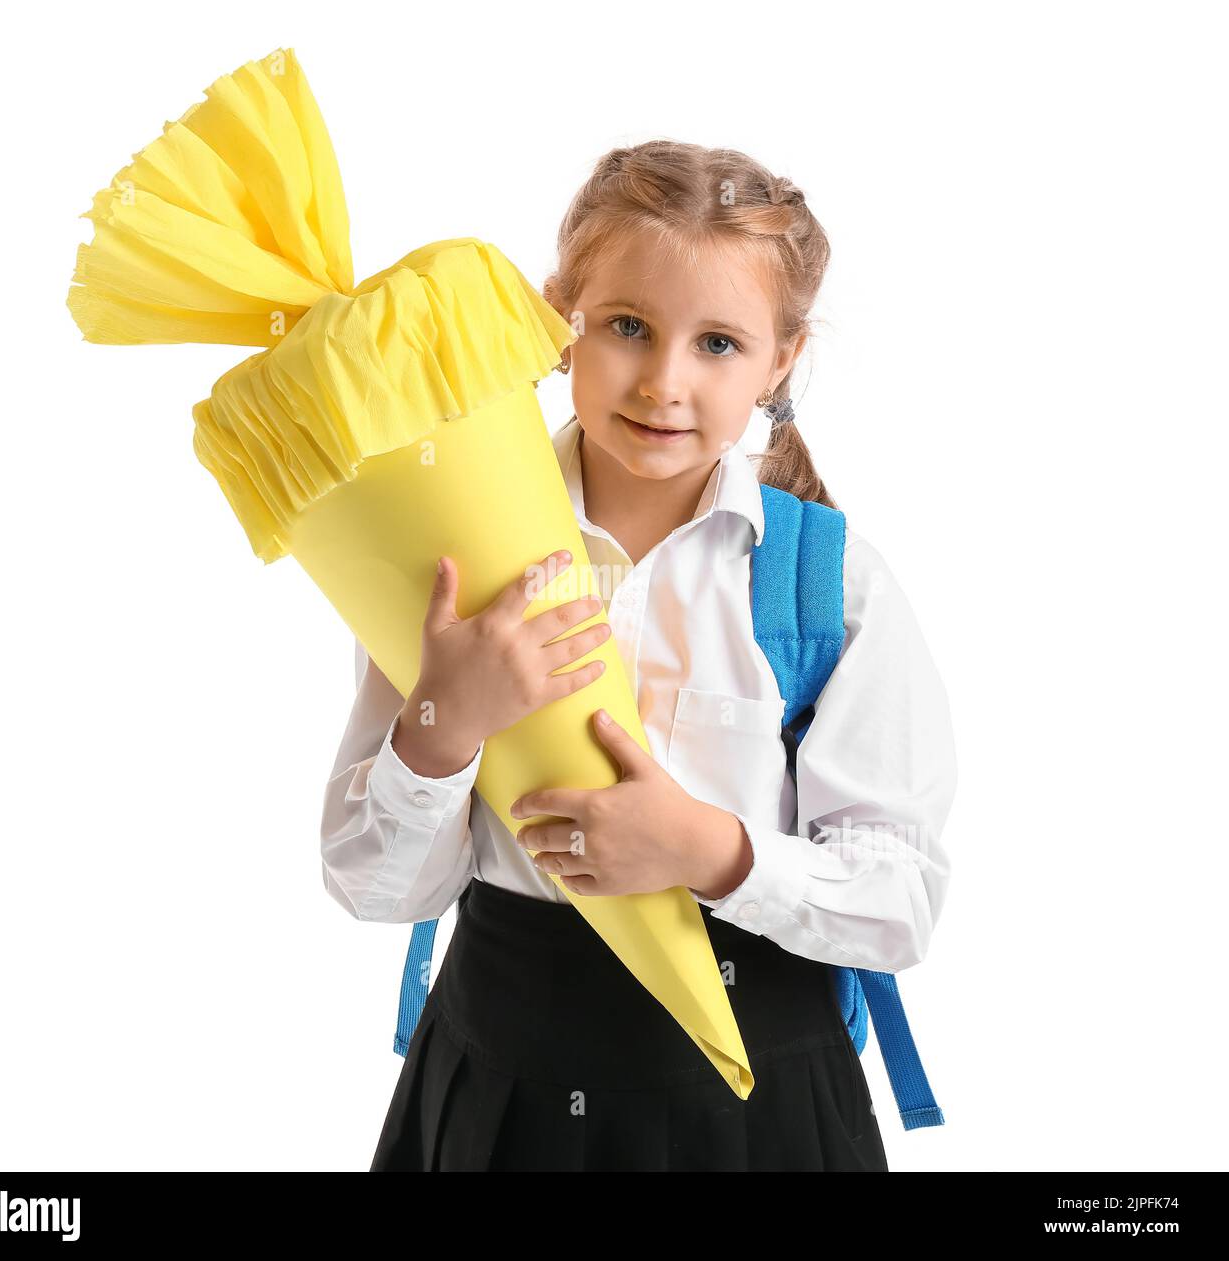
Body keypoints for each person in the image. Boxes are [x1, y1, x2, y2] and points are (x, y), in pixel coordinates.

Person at [320, 141, 958, 1171]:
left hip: (760, 1110)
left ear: (780, 360)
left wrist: (706, 850)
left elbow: (899, 902)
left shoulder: (829, 586)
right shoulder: (456, 562)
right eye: (625, 326)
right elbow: (374, 885)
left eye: (717, 343)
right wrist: (445, 723)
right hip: (500, 1094)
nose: (664, 382)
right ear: (553, 318)